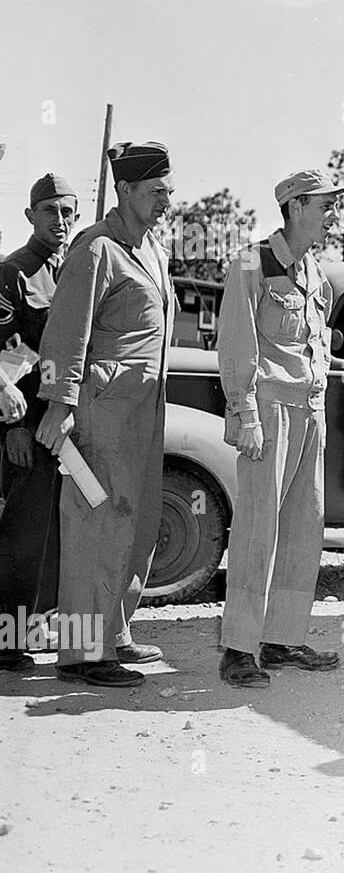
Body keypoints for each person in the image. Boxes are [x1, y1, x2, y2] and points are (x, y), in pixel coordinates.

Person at [35, 143, 176, 687]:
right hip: (100, 412)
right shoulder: (96, 249)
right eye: (156, 191)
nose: (167, 200)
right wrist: (60, 403)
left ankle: (114, 632)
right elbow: (64, 334)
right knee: (97, 523)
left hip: (144, 412)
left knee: (135, 525)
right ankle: (81, 653)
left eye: (169, 190)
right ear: (126, 191)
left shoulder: (153, 251)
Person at [216, 169, 342, 688]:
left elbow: (319, 347)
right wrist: (244, 413)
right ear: (294, 207)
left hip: (310, 408)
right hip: (268, 410)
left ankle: (283, 638)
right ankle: (239, 648)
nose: (332, 216)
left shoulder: (316, 272)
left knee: (303, 526)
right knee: (258, 529)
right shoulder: (253, 262)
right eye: (325, 206)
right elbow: (237, 342)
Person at [0, 174, 77, 671]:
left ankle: (38, 626)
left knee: (57, 529)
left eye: (68, 211)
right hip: (26, 423)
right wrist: (12, 429)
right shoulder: (14, 273)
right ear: (30, 216)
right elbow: (7, 354)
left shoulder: (76, 270)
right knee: (23, 533)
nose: (61, 220)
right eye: (50, 211)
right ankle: (6, 641)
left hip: (66, 422)